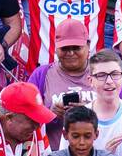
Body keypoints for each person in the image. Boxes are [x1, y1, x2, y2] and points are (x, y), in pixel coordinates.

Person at [25, 18, 91, 149]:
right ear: (56, 47)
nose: (71, 53)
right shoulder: (41, 75)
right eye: (65, 48)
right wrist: (50, 114)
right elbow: (24, 122)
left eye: (76, 48)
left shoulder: (103, 73)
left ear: (88, 45)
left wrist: (91, 112)